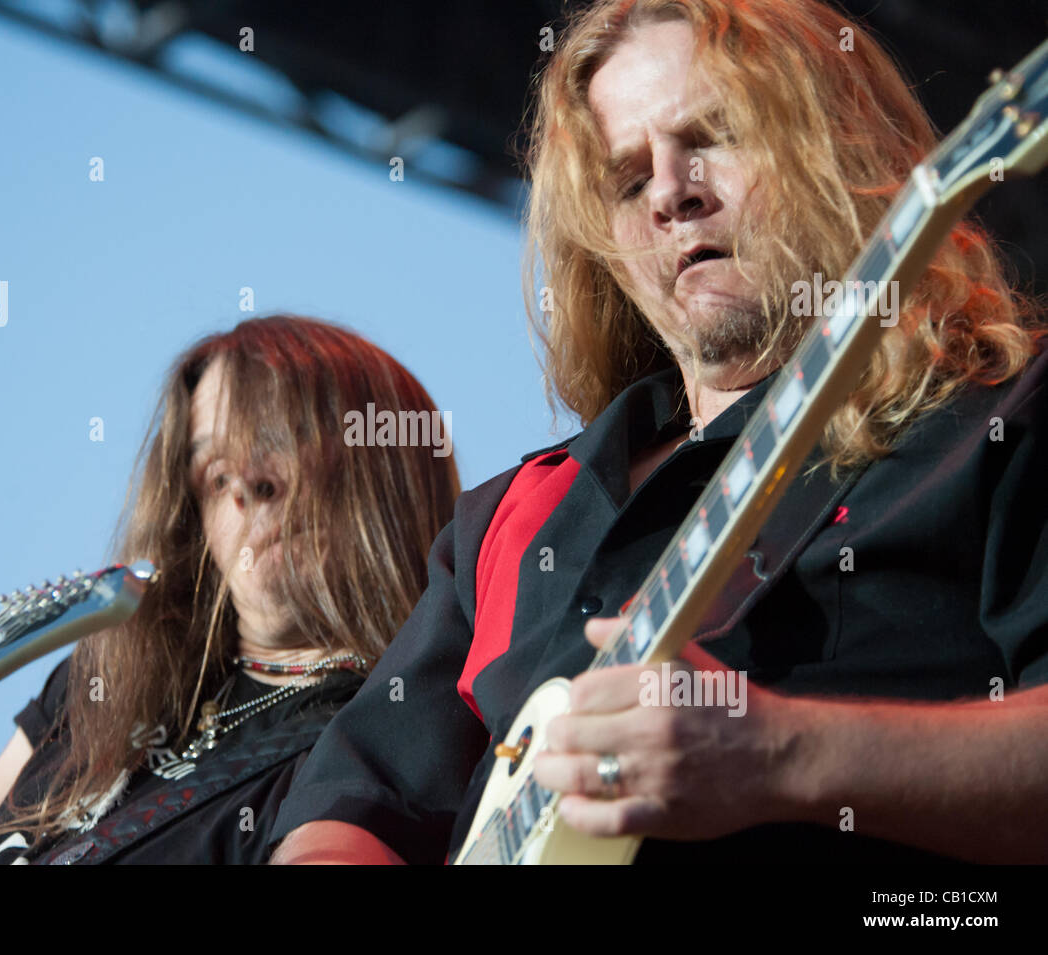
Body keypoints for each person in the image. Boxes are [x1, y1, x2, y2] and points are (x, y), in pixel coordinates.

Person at [269, 0, 1048, 865]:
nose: (673, 195)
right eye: (630, 179)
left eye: (713, 136)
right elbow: (352, 807)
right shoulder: (514, 519)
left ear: (840, 149)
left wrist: (782, 754)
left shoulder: (1005, 414)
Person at [0, 315, 460, 864]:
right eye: (214, 471)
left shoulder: (385, 743)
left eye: (277, 444)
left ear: (385, 472)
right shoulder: (99, 683)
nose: (246, 487)